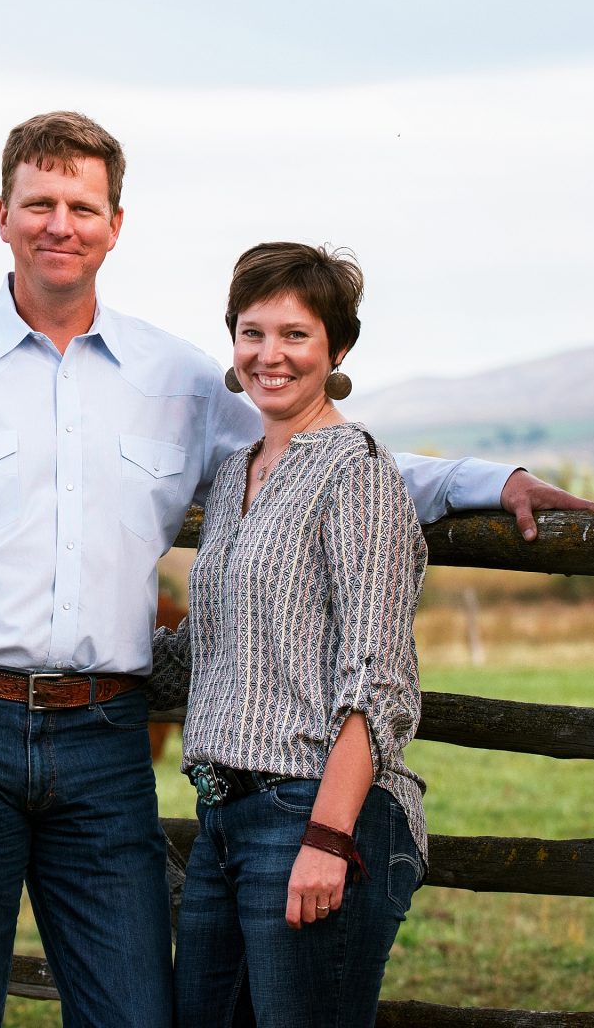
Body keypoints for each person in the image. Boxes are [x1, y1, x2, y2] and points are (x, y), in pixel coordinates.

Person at [0, 111, 594, 1028]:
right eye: (40, 203)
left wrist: (494, 480)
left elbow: (318, 453)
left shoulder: (175, 379)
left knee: (137, 1013)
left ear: (116, 225)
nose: (62, 224)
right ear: (3, 215)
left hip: (102, 739)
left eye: (84, 206)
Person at [150, 242, 434, 1025]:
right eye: (252, 333)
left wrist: (329, 839)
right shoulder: (240, 470)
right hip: (225, 821)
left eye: (295, 335)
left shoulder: (356, 470)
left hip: (313, 814)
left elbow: (376, 678)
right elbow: (211, 652)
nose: (269, 355)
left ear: (336, 350)